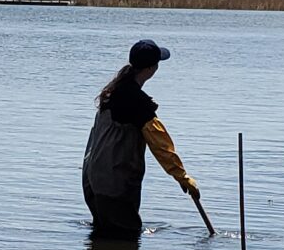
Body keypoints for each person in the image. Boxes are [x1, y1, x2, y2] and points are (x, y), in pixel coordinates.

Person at [82, 38, 200, 239]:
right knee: (124, 240)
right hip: (115, 184)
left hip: (93, 180)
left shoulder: (111, 92)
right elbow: (161, 146)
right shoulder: (137, 103)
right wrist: (183, 177)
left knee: (103, 241)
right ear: (152, 68)